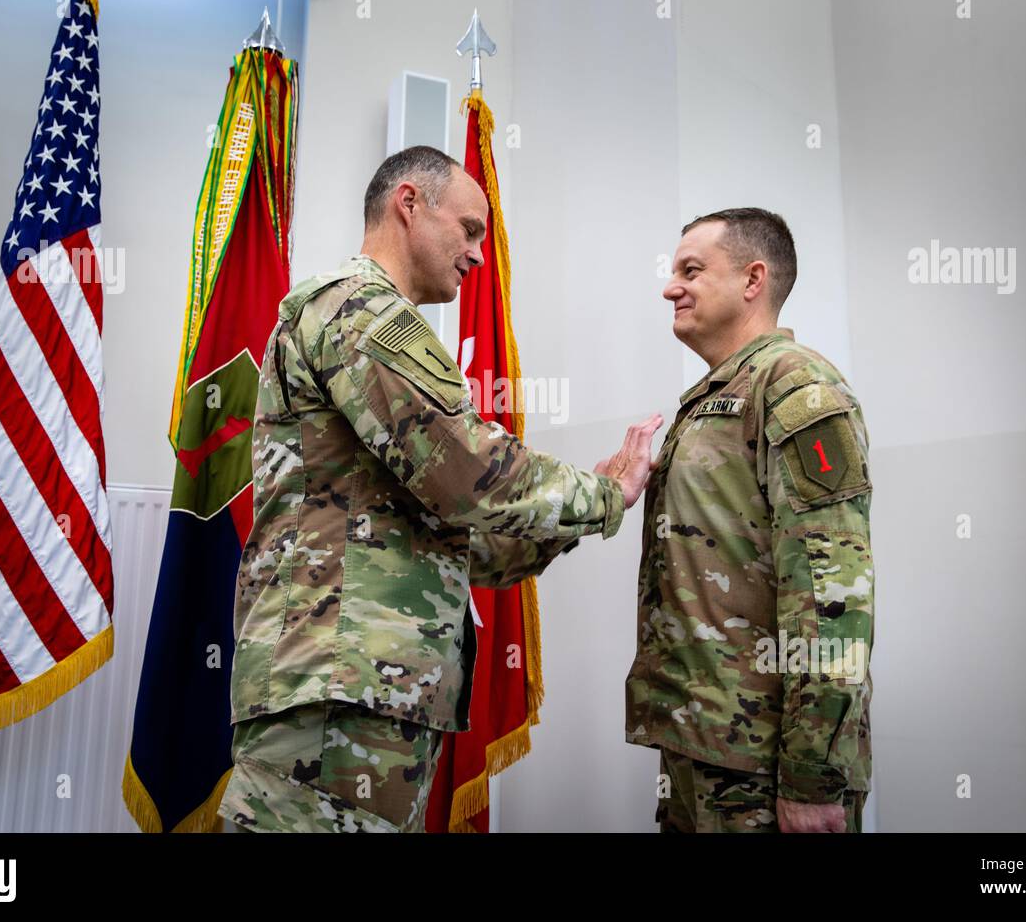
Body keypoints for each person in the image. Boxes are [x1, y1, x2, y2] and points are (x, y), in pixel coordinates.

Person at [218, 145, 662, 832]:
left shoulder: (376, 319)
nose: (478, 254)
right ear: (409, 203)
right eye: (470, 229)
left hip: (367, 690)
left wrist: (581, 516)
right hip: (338, 691)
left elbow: (461, 540)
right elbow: (463, 471)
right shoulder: (357, 307)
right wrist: (603, 495)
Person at [624, 207, 874, 833]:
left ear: (752, 279)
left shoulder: (796, 388)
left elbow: (831, 594)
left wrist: (812, 777)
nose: (670, 286)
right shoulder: (712, 399)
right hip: (700, 746)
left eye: (691, 269)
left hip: (763, 766)